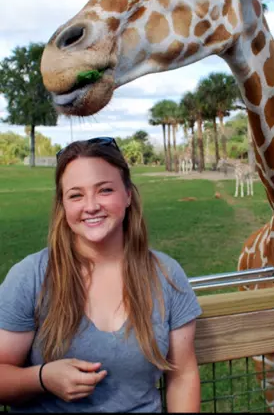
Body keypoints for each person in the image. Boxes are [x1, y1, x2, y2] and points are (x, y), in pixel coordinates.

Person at [0, 137, 202, 412]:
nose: (91, 206)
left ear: (128, 194)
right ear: (63, 205)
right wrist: (41, 378)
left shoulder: (166, 275)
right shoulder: (30, 277)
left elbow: (183, 376)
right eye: (76, 195)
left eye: (105, 190)